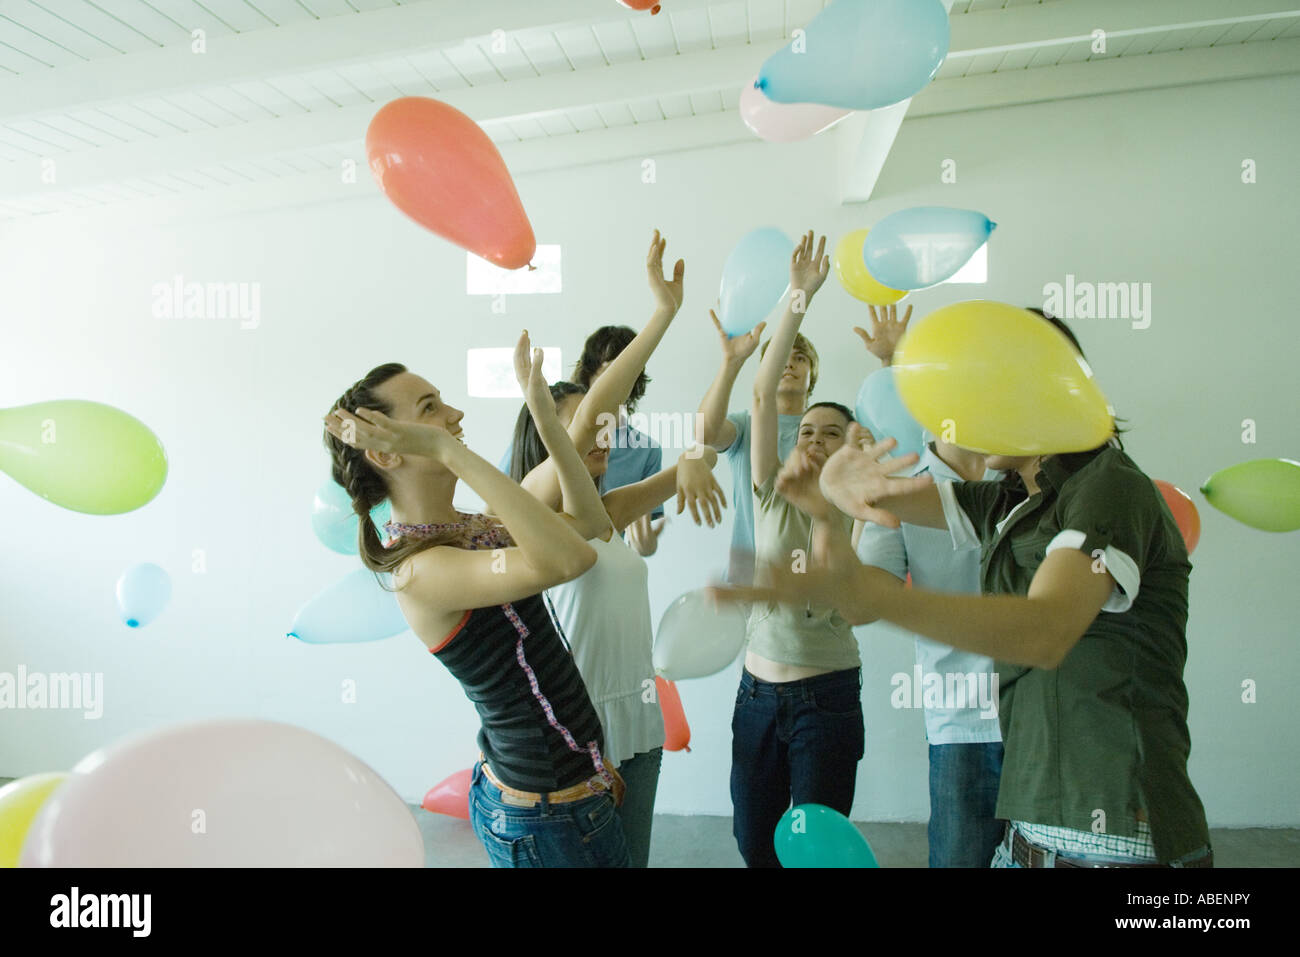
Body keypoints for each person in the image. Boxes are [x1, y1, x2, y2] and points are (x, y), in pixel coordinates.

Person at [711, 312, 1213, 868]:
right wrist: (829, 503)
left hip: (1111, 840)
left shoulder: (1108, 489)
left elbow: (1045, 631)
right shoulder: (1011, 501)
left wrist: (879, 590)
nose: (970, 414)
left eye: (983, 394)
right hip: (1030, 839)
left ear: (1041, 393)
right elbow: (857, 587)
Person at [323, 332, 631, 868]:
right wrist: (448, 449)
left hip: (559, 793)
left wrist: (545, 418)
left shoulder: (468, 528)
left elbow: (589, 526)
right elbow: (567, 562)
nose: (455, 413)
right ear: (386, 452)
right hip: (546, 813)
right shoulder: (421, 569)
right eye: (431, 408)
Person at [507, 231, 727, 867]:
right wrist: (663, 314)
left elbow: (695, 455)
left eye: (604, 426)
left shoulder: (604, 512)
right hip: (579, 733)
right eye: (583, 426)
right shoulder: (533, 508)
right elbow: (592, 411)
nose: (602, 432)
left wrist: (695, 459)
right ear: (549, 433)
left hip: (640, 725)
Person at [728, 231, 866, 868]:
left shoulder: (861, 508)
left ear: (849, 447)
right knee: (755, 844)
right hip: (757, 694)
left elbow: (849, 592)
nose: (812, 437)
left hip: (827, 699)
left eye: (829, 432)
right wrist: (799, 296)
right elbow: (759, 394)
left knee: (818, 853)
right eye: (805, 429)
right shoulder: (768, 492)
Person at [855, 431, 1005, 868]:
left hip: (1044, 718)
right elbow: (865, 603)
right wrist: (843, 512)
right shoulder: (903, 494)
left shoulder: (1029, 477)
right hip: (960, 724)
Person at [697, 297, 910, 586]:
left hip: (821, 589)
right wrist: (730, 363)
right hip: (749, 580)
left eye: (800, 358)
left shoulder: (837, 431)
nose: (788, 364)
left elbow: (881, 434)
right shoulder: (747, 425)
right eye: (780, 357)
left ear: (812, 375)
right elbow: (704, 433)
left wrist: (888, 361)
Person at [501, 325, 665, 556]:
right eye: (612, 370)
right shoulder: (546, 431)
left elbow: (639, 541)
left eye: (631, 369)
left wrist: (643, 538)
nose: (621, 379)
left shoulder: (645, 452)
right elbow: (501, 508)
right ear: (590, 373)